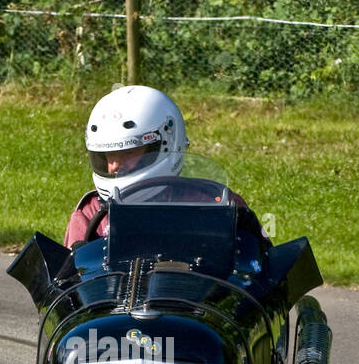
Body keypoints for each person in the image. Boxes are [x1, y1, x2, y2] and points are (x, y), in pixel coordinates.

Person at [63, 85, 266, 248]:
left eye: (127, 153)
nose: (113, 166)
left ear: (167, 144)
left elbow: (258, 275)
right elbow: (71, 287)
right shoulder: (91, 214)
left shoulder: (219, 204)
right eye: (107, 155)